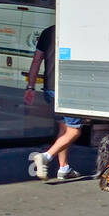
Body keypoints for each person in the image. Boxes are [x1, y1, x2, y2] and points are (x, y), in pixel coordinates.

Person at [25, 23, 86, 180]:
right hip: (69, 89)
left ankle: (64, 168)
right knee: (74, 131)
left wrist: (30, 87)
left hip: (50, 89)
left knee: (64, 129)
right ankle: (46, 156)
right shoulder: (78, 31)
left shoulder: (48, 32)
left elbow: (36, 61)